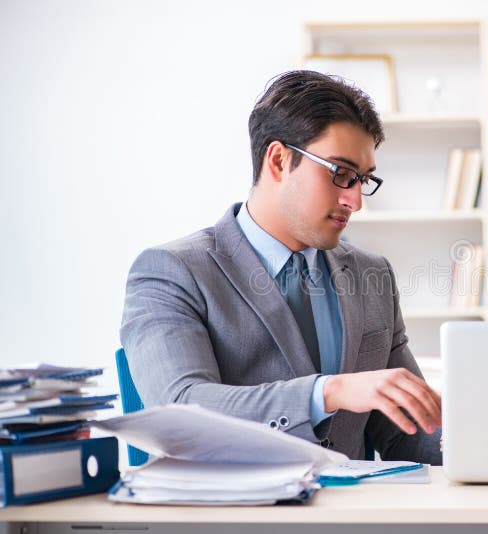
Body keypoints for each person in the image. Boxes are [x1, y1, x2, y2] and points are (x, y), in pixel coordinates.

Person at [121, 70, 442, 464]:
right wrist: (329, 392)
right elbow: (182, 409)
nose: (355, 201)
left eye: (363, 180)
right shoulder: (172, 272)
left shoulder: (372, 275)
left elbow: (407, 436)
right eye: (340, 174)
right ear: (278, 160)